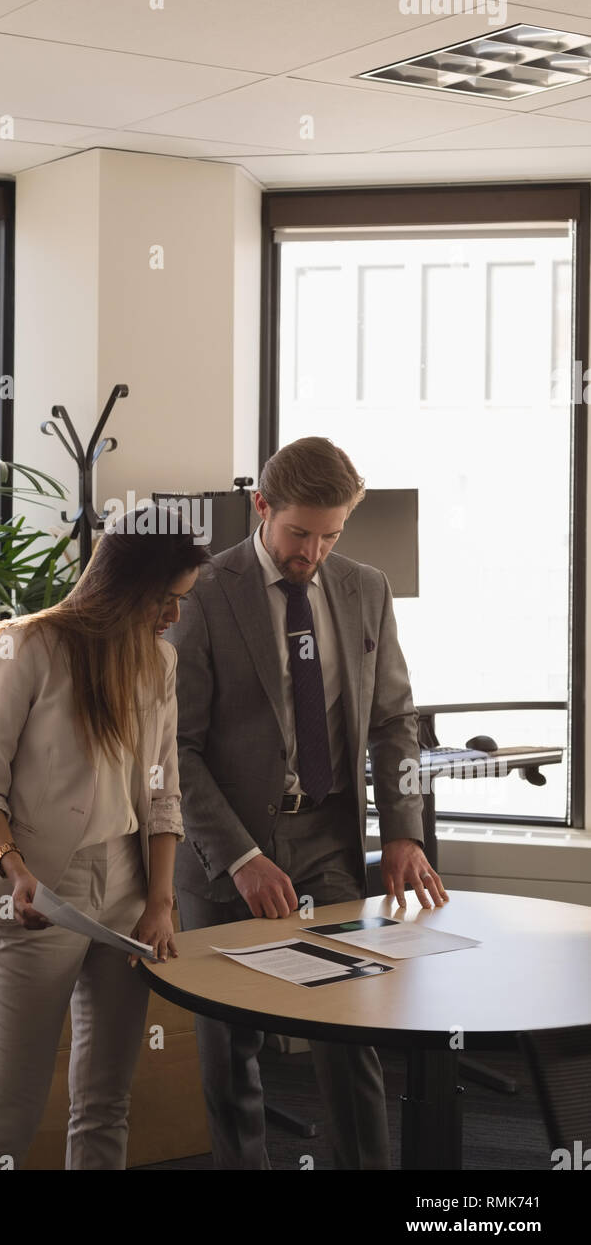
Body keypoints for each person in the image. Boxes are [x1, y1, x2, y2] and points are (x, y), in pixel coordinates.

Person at [165, 437, 448, 1171]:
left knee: (349, 1033)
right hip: (225, 853)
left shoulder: (365, 587)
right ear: (261, 507)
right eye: (298, 533)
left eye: (330, 534)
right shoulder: (201, 593)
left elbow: (394, 721)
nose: (312, 552)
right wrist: (239, 857)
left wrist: (404, 835)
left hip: (327, 838)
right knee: (232, 1054)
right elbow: (176, 749)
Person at [0, 505, 208, 1170]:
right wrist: (13, 867)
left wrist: (159, 901)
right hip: (39, 892)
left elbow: (162, 795)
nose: (173, 616)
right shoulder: (28, 646)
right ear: (124, 585)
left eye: (181, 601)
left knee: (105, 1104)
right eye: (165, 599)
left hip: (127, 891)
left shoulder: (159, 662)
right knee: (9, 1112)